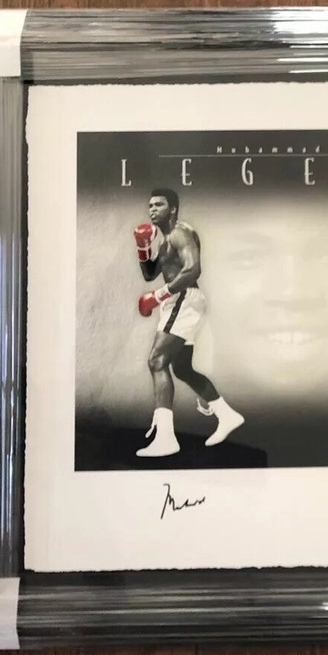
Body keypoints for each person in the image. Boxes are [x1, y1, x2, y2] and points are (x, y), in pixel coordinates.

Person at [133, 188, 245, 457]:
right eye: (150, 205)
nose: (152, 209)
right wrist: (143, 247)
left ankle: (166, 438)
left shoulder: (180, 233)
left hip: (183, 298)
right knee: (182, 368)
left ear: (172, 209)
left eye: (159, 205)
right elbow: (150, 274)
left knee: (157, 361)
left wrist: (157, 296)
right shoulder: (165, 241)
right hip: (180, 299)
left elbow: (193, 269)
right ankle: (227, 415)